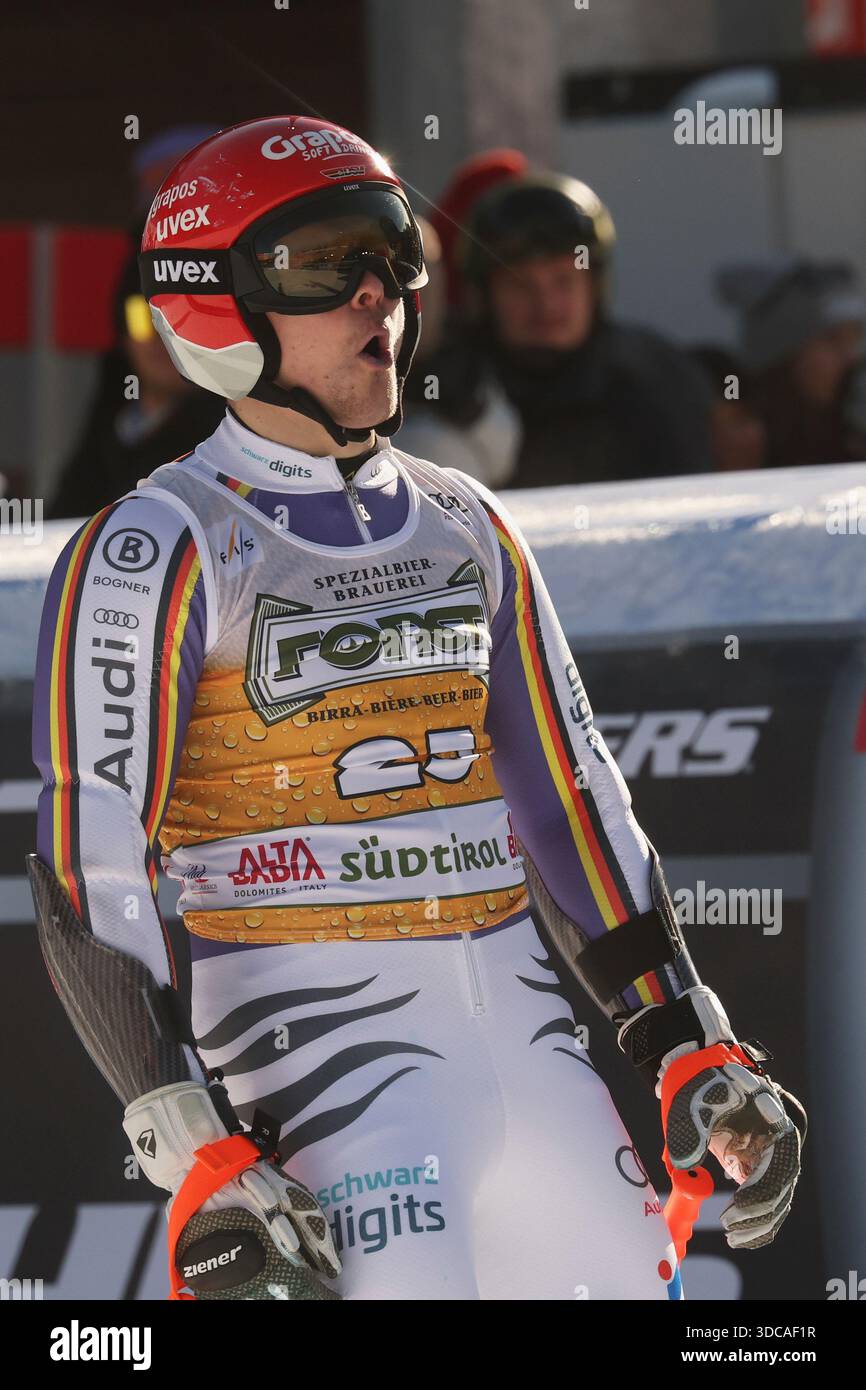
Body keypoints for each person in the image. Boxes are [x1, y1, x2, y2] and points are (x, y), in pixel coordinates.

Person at [29, 116, 805, 1302]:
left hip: (537, 1059)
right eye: (321, 263)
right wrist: (185, 1140)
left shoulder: (466, 519)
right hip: (317, 1074)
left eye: (392, 252)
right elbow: (90, 861)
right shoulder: (157, 543)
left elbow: (568, 799)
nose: (375, 294)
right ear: (216, 302)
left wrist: (684, 1035)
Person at [400, 171, 714, 487]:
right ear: (483, 295)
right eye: (520, 285)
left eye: (564, 282)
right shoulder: (446, 383)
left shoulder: (656, 381)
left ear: (595, 286)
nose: (546, 305)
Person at [718, 259, 865, 469]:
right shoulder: (732, 395)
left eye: (853, 342)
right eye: (833, 341)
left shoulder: (848, 429)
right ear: (785, 356)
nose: (850, 357)